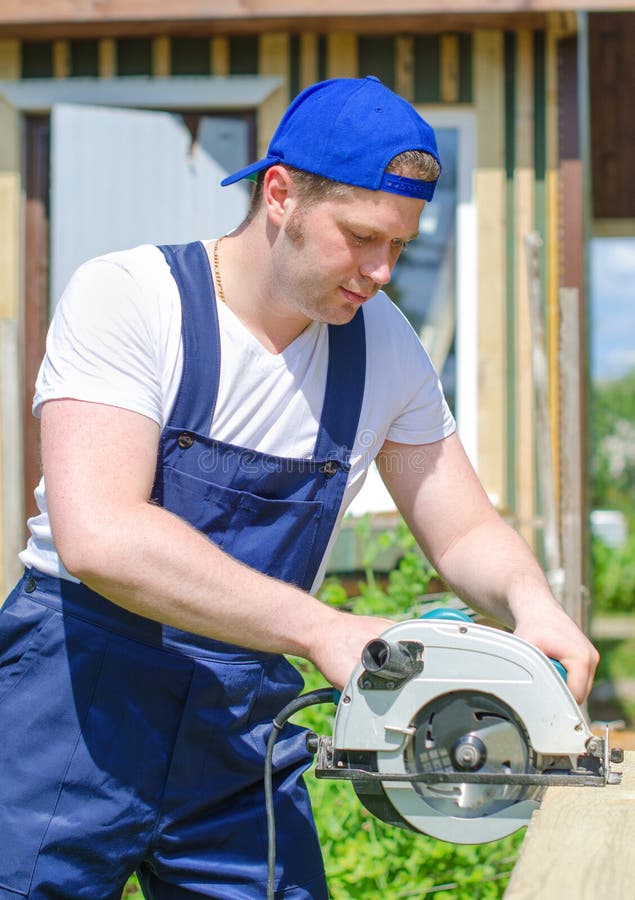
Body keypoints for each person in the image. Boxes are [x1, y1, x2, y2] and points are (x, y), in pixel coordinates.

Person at [0, 76, 598, 899]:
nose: (384, 271)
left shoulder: (382, 348)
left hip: (239, 724)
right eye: (360, 237)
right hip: (74, 700)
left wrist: (531, 604)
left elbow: (460, 532)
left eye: (399, 243)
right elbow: (99, 535)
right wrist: (321, 627)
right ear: (278, 195)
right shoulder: (131, 299)